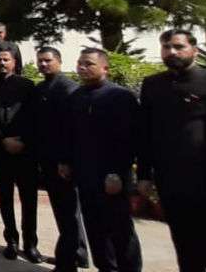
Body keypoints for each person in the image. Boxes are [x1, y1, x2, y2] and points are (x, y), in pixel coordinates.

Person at [138, 30, 206, 272]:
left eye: (179, 46)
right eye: (166, 47)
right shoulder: (153, 85)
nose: (172, 52)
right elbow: (146, 133)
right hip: (171, 185)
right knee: (186, 251)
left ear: (194, 50)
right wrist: (144, 174)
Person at [62, 49, 142, 272]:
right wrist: (65, 161)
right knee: (95, 229)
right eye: (80, 63)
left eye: (89, 64)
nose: (82, 68)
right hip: (85, 175)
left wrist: (116, 172)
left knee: (120, 230)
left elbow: (130, 139)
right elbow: (70, 135)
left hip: (113, 177)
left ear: (105, 68)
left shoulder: (120, 97)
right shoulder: (76, 97)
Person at [33, 47, 90, 272]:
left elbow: (71, 130)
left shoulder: (69, 89)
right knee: (65, 211)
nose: (43, 64)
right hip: (47, 159)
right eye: (40, 61)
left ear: (59, 61)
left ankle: (69, 261)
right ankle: (79, 253)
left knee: (68, 213)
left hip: (63, 162)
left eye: (48, 60)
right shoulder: (41, 88)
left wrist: (66, 161)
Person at [0, 46, 40, 262]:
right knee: (5, 198)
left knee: (29, 200)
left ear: (14, 62)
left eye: (6, 59)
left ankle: (30, 244)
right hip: (0, 150)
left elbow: (36, 117)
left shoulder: (28, 86)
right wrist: (2, 139)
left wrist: (22, 141)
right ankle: (11, 240)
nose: (2, 63)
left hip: (25, 151)